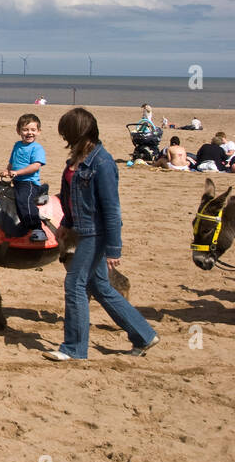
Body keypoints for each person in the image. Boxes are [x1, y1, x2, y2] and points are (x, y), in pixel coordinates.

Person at [45, 107, 158, 361]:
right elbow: (69, 198)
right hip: (79, 229)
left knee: (74, 284)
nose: (64, 138)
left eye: (67, 132)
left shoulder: (103, 162)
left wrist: (113, 249)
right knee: (100, 286)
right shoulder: (75, 158)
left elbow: (111, 208)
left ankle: (74, 348)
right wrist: (65, 222)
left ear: (80, 132)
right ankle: (144, 335)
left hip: (95, 234)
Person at [0, 113, 48, 242]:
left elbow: (35, 166)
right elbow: (12, 162)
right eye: (25, 130)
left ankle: (38, 228)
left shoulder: (37, 148)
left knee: (23, 200)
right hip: (17, 181)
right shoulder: (17, 145)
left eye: (33, 130)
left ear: (39, 132)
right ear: (18, 131)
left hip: (29, 183)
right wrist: (7, 170)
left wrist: (18, 173)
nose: (29, 133)